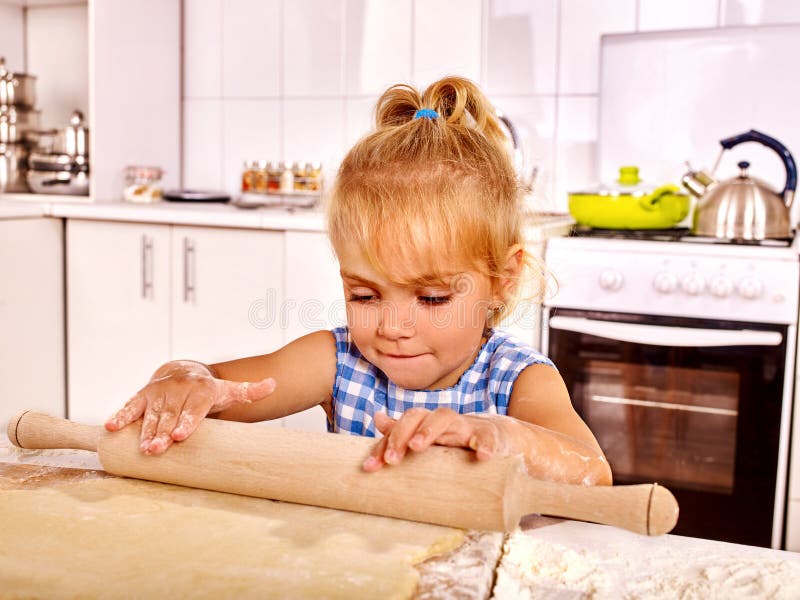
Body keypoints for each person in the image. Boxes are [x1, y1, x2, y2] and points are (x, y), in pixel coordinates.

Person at [105, 76, 612, 487]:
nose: (392, 327)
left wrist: (501, 436)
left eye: (431, 297)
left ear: (502, 279)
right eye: (365, 295)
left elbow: (592, 470)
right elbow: (212, 385)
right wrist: (185, 380)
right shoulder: (339, 363)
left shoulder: (515, 379)